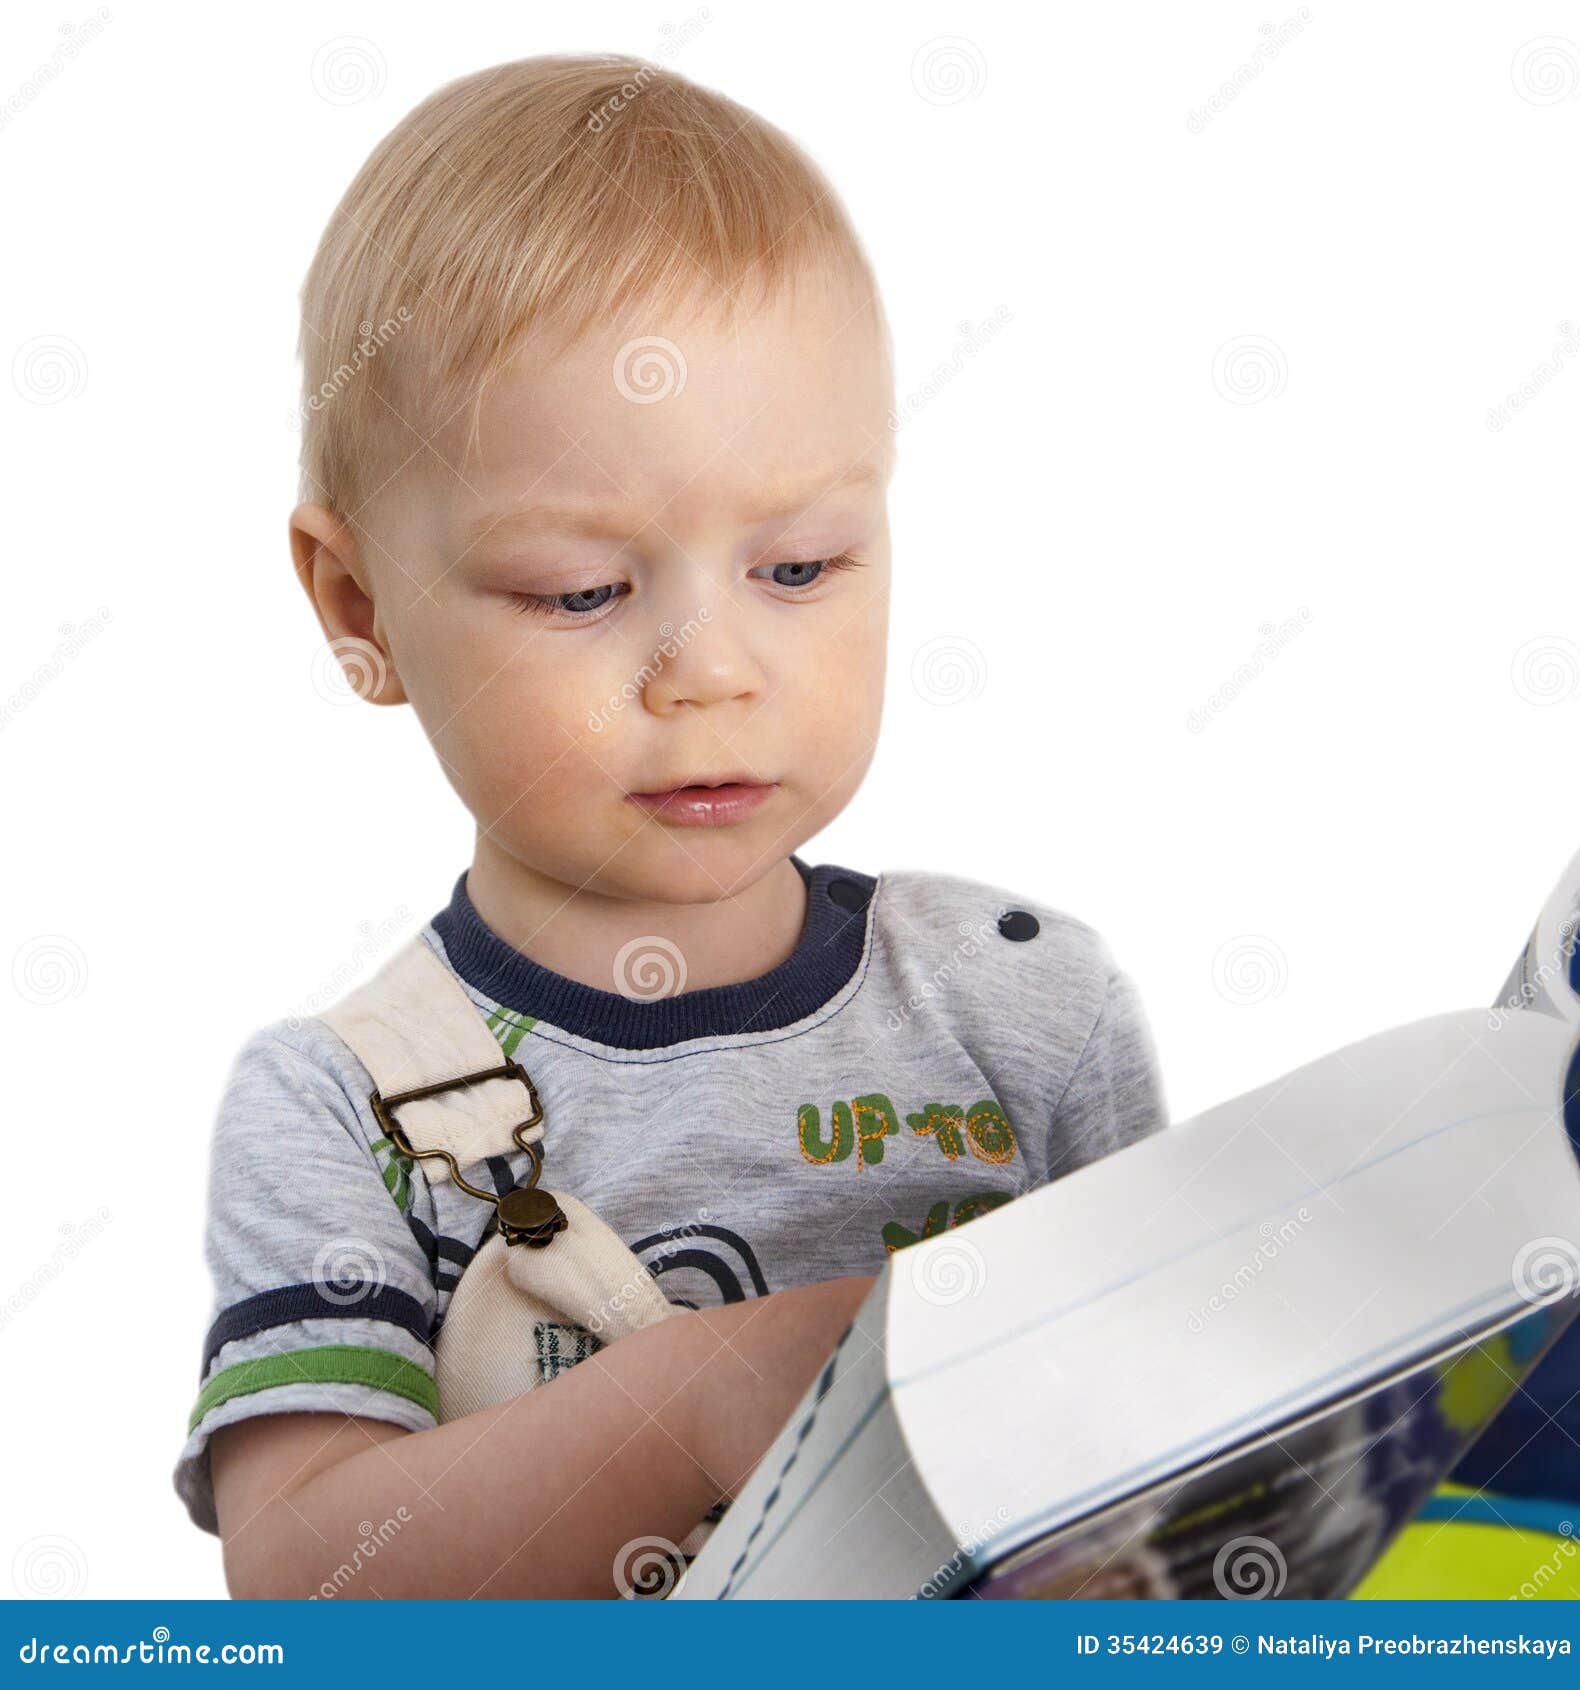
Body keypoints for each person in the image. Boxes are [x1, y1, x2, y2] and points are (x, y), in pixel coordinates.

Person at [172, 53, 1167, 1599]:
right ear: (360, 605)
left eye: (801, 566)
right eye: (582, 589)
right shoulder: (342, 1105)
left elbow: (1189, 1453)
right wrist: (696, 1395)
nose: (711, 670)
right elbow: (303, 1578)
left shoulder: (1030, 1007)